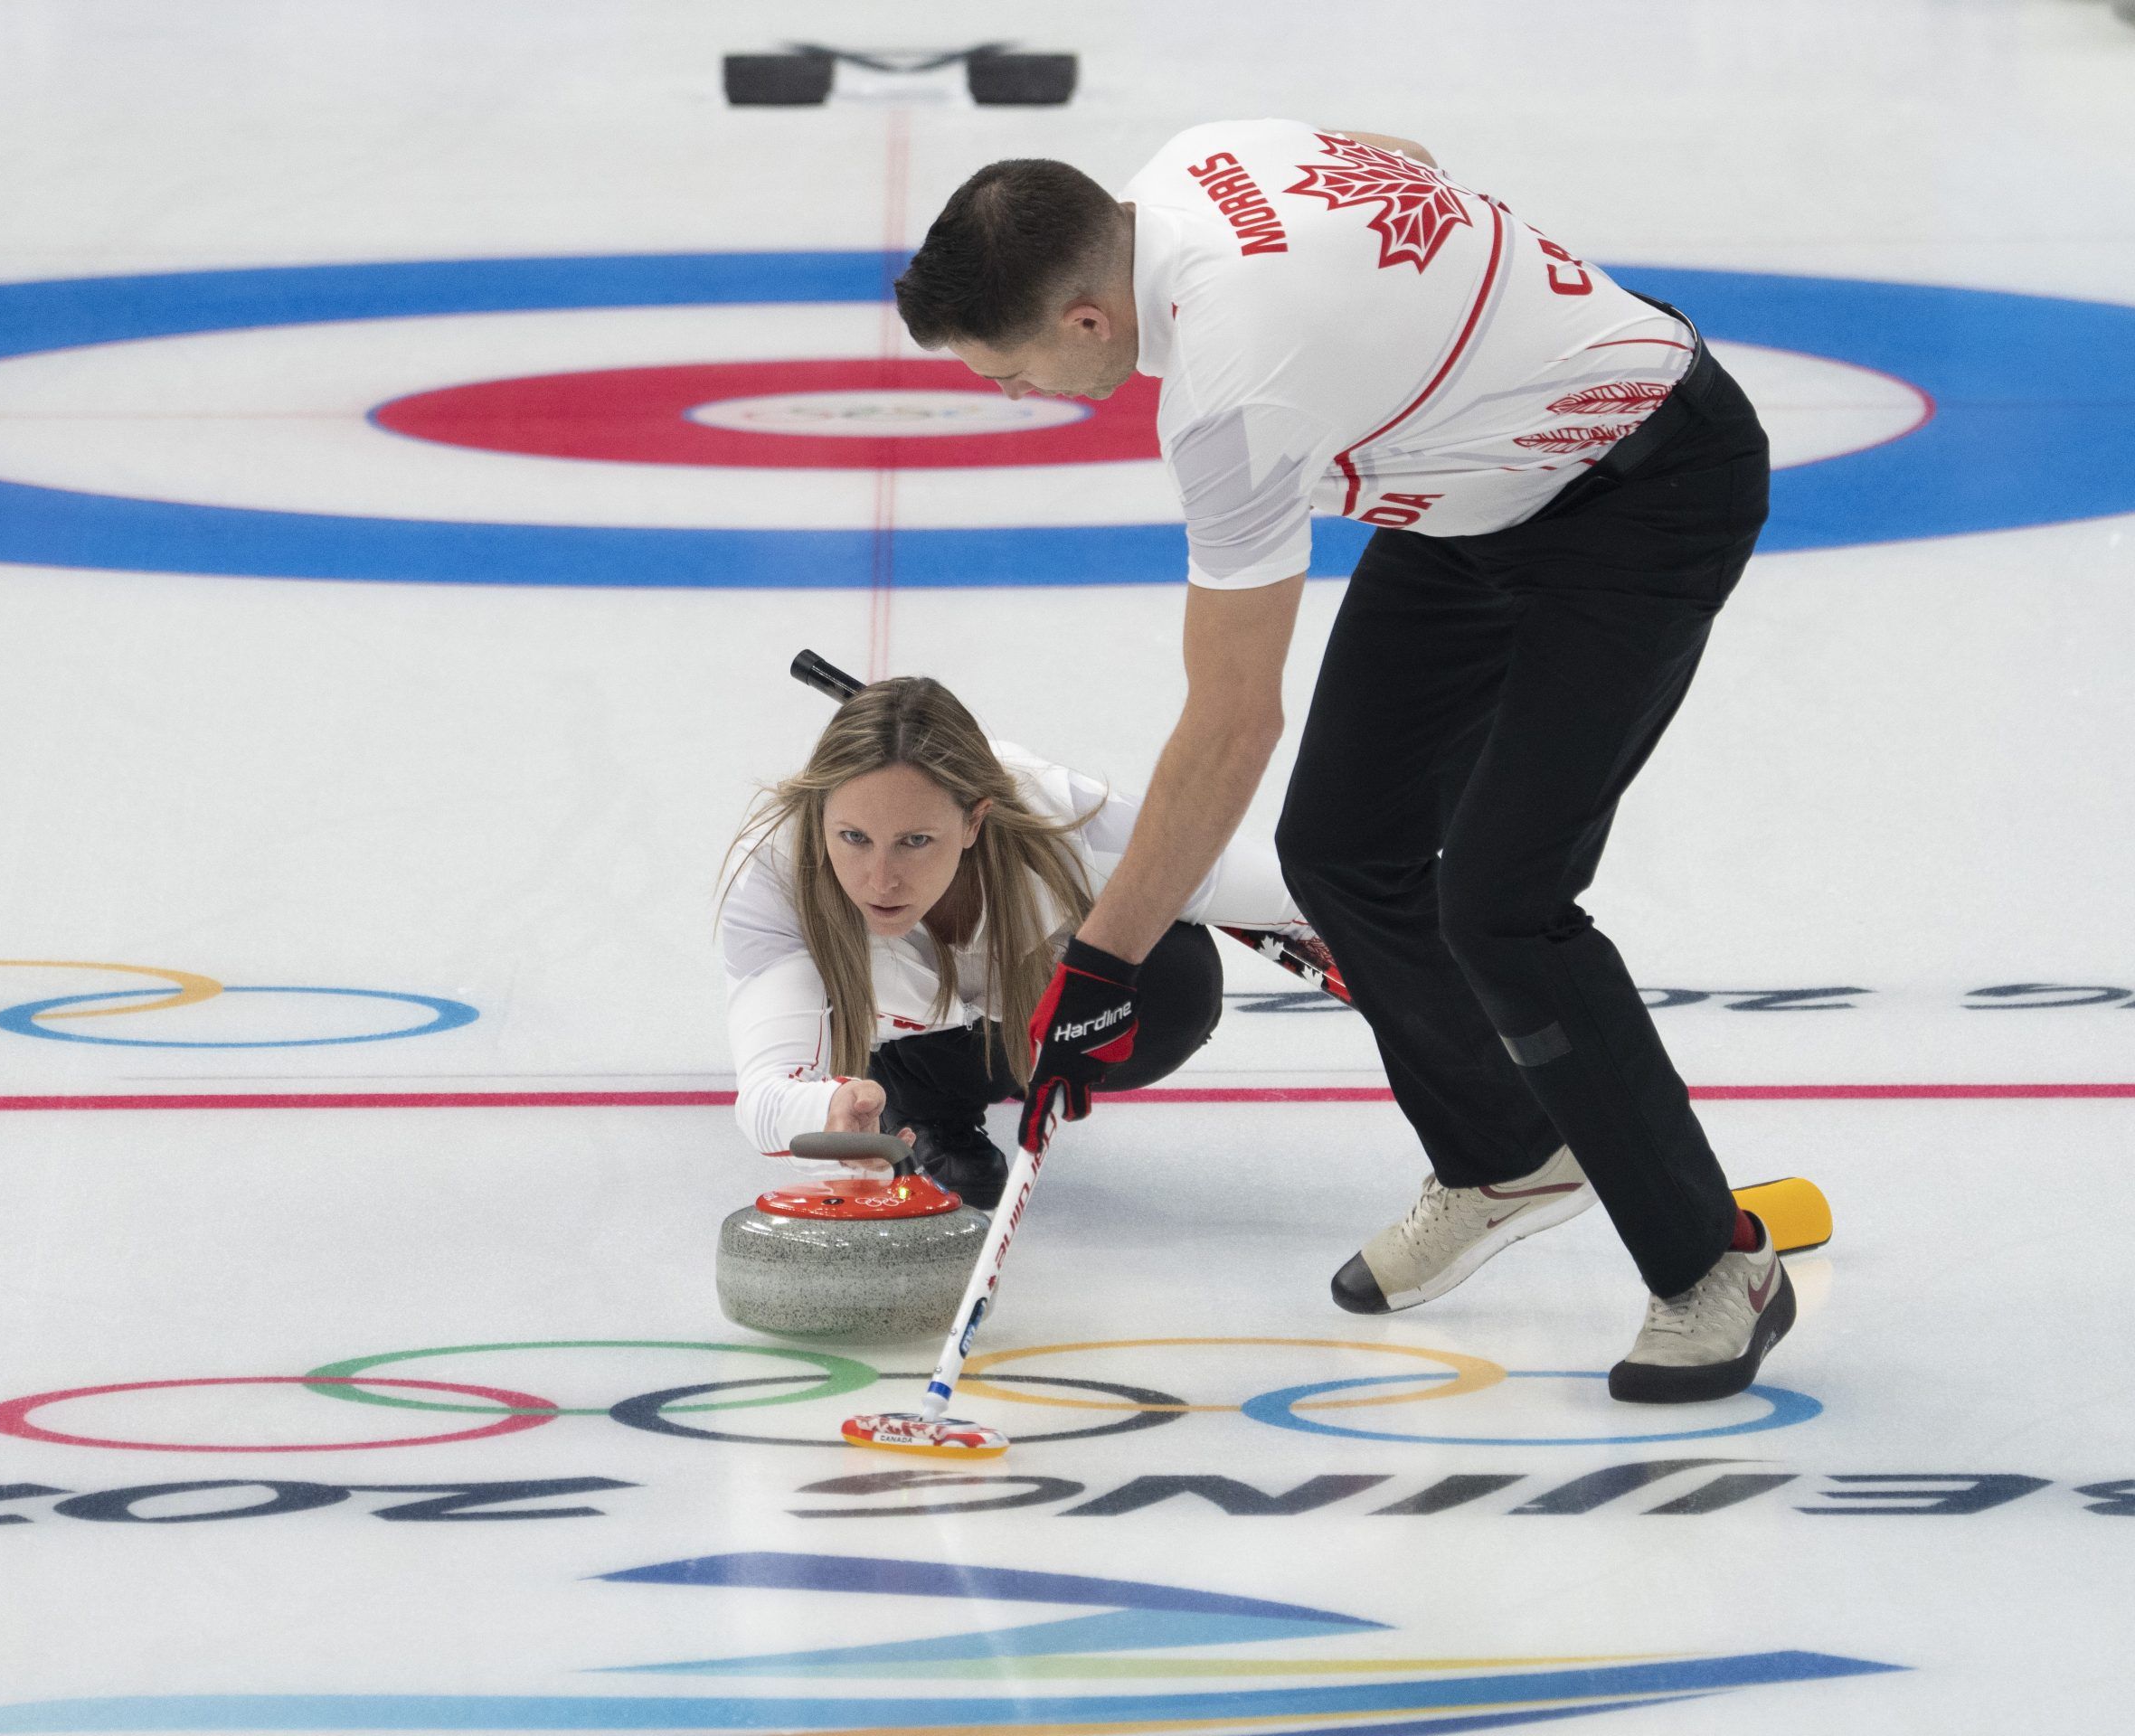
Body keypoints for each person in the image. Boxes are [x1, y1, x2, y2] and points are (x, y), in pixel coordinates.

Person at [891, 119, 1789, 1403]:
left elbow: (1232, 720)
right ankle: (1506, 1152)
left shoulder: (1235, 397)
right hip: (1475, 483)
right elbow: (1398, 156)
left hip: (1649, 495)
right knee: (1340, 851)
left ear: (1089, 320)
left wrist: (1106, 960)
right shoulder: (1199, 161)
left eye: (1008, 370)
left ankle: (1720, 1267)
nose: (1012, 395)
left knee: (1504, 906)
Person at [722, 675, 1299, 1208]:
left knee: (1176, 977)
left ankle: (1005, 1058)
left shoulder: (1075, 831)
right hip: (899, 1045)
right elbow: (768, 1093)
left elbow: (1301, 896)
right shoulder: (773, 881)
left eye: (916, 840)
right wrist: (828, 1108)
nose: (880, 880)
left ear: (975, 821)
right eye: (853, 836)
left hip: (1037, 1005)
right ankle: (926, 1109)